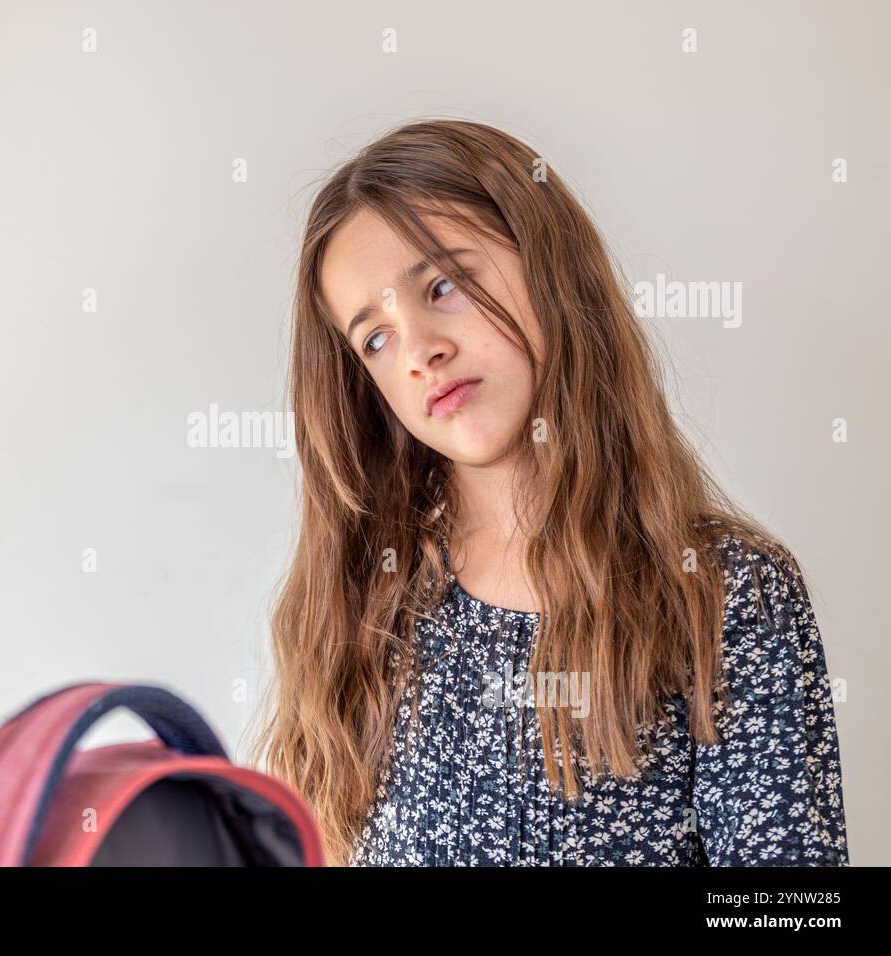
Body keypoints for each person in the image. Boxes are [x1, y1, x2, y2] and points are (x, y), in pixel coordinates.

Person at [247, 119, 849, 867]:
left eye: (444, 285)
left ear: (552, 270)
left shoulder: (726, 595)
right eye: (375, 337)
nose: (418, 351)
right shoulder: (364, 601)